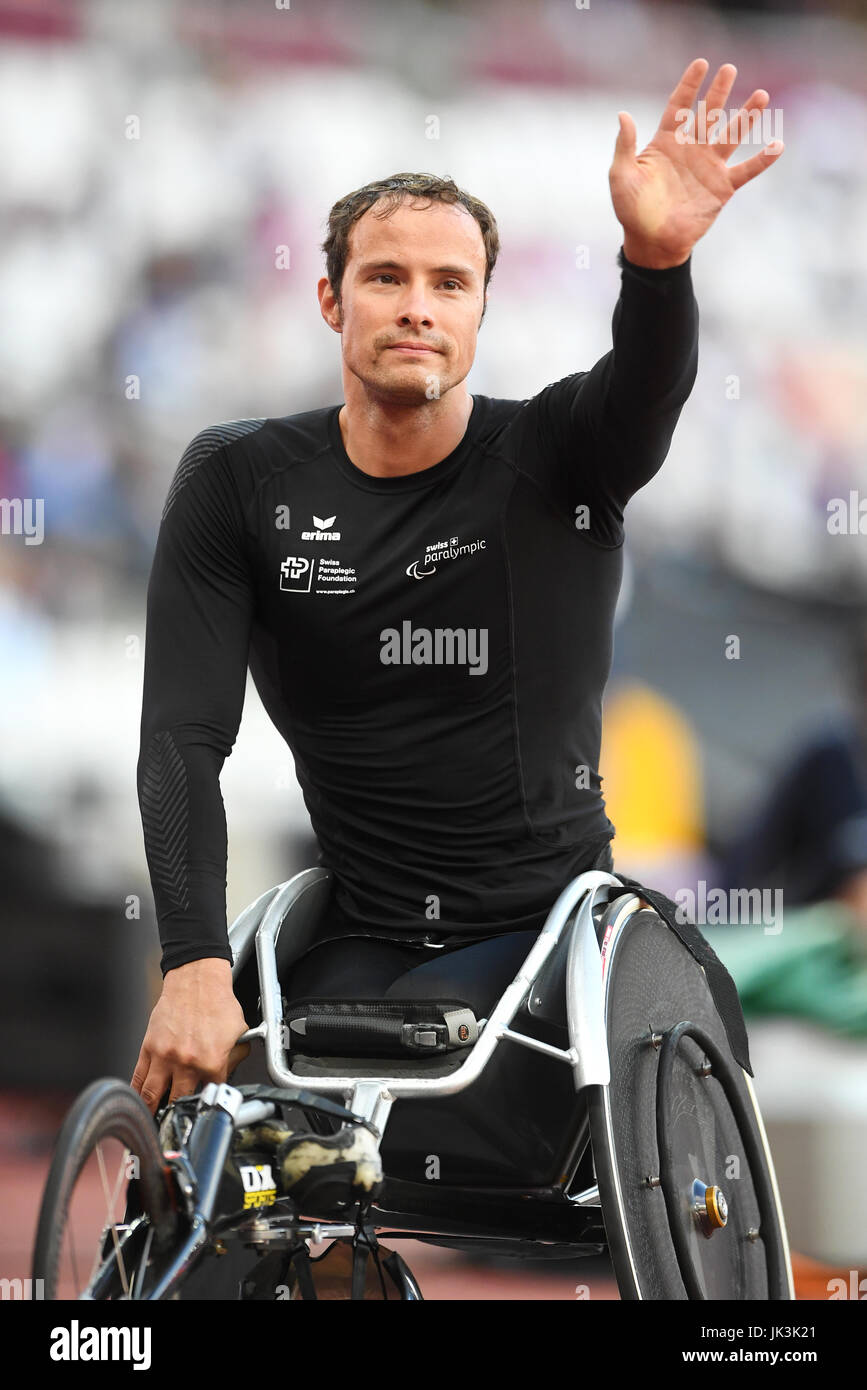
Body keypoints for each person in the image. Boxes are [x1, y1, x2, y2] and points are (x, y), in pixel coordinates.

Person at [130, 59, 783, 1115]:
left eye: (449, 283)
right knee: (243, 1146)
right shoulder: (237, 481)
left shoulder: (556, 456)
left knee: (356, 1106)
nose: (417, 307)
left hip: (539, 932)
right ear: (330, 298)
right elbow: (181, 739)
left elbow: (646, 391)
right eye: (386, 277)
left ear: (483, 306)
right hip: (354, 929)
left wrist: (657, 264)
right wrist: (194, 961)